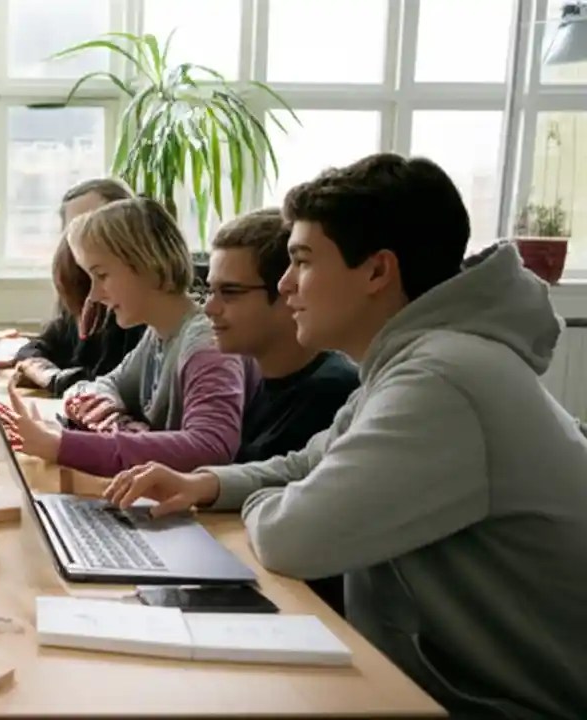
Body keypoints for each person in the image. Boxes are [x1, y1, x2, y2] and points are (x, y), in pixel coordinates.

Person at [103, 153, 587, 718]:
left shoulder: (442, 379)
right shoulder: (415, 362)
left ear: (378, 272)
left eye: (302, 261)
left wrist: (264, 502)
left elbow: (294, 537)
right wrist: (203, 484)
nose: (285, 286)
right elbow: (308, 463)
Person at [4, 196, 250, 479]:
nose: (94, 295)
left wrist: (62, 445)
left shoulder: (207, 346)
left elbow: (211, 447)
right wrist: (102, 401)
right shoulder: (157, 335)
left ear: (149, 264)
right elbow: (106, 384)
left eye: (102, 276)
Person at [205, 208, 359, 464]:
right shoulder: (254, 381)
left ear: (288, 291)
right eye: (209, 290)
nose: (209, 308)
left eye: (230, 292)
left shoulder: (331, 394)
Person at [14, 178, 146, 396]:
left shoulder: (131, 302)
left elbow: (112, 384)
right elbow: (38, 348)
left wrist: (51, 378)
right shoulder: (80, 287)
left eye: (92, 223)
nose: (82, 237)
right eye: (74, 229)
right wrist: (43, 371)